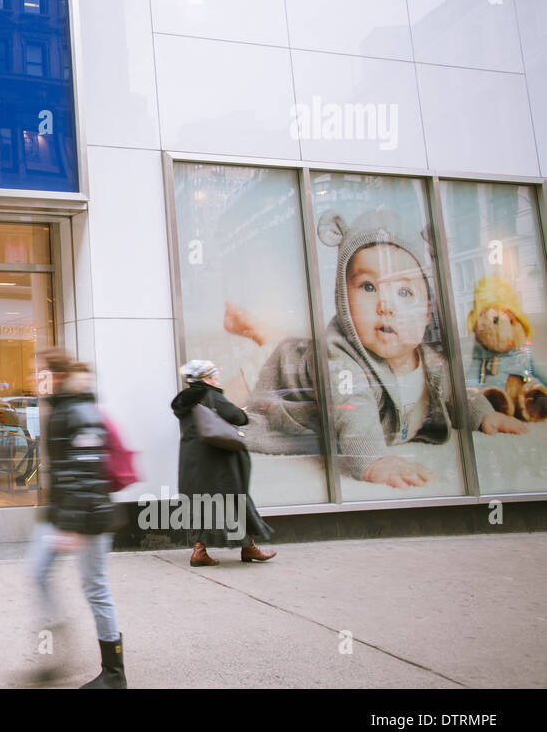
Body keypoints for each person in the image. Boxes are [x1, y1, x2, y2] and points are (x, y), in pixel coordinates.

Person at [228, 210, 520, 487]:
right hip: (282, 369)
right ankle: (263, 336)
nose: (385, 305)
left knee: (296, 344)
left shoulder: (430, 363)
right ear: (343, 297)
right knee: (214, 402)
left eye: (404, 292)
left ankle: (265, 332)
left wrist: (483, 414)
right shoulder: (341, 359)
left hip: (308, 354)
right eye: (368, 287)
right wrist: (372, 459)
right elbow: (351, 407)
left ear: (428, 312)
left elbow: (457, 392)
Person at [29, 359, 126, 689]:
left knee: (95, 587)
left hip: (88, 516)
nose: (34, 377)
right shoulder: (61, 408)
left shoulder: (80, 411)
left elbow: (85, 472)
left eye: (39, 371)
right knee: (38, 573)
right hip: (64, 513)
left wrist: (69, 526)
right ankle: (54, 655)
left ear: (56, 376)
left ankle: (114, 673)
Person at [171, 359, 275, 567]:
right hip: (217, 460)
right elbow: (237, 417)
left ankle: (199, 551)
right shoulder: (211, 396)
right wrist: (242, 412)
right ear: (206, 379)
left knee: (199, 503)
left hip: (192, 460)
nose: (217, 378)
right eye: (213, 375)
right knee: (236, 500)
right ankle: (249, 547)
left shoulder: (184, 401)